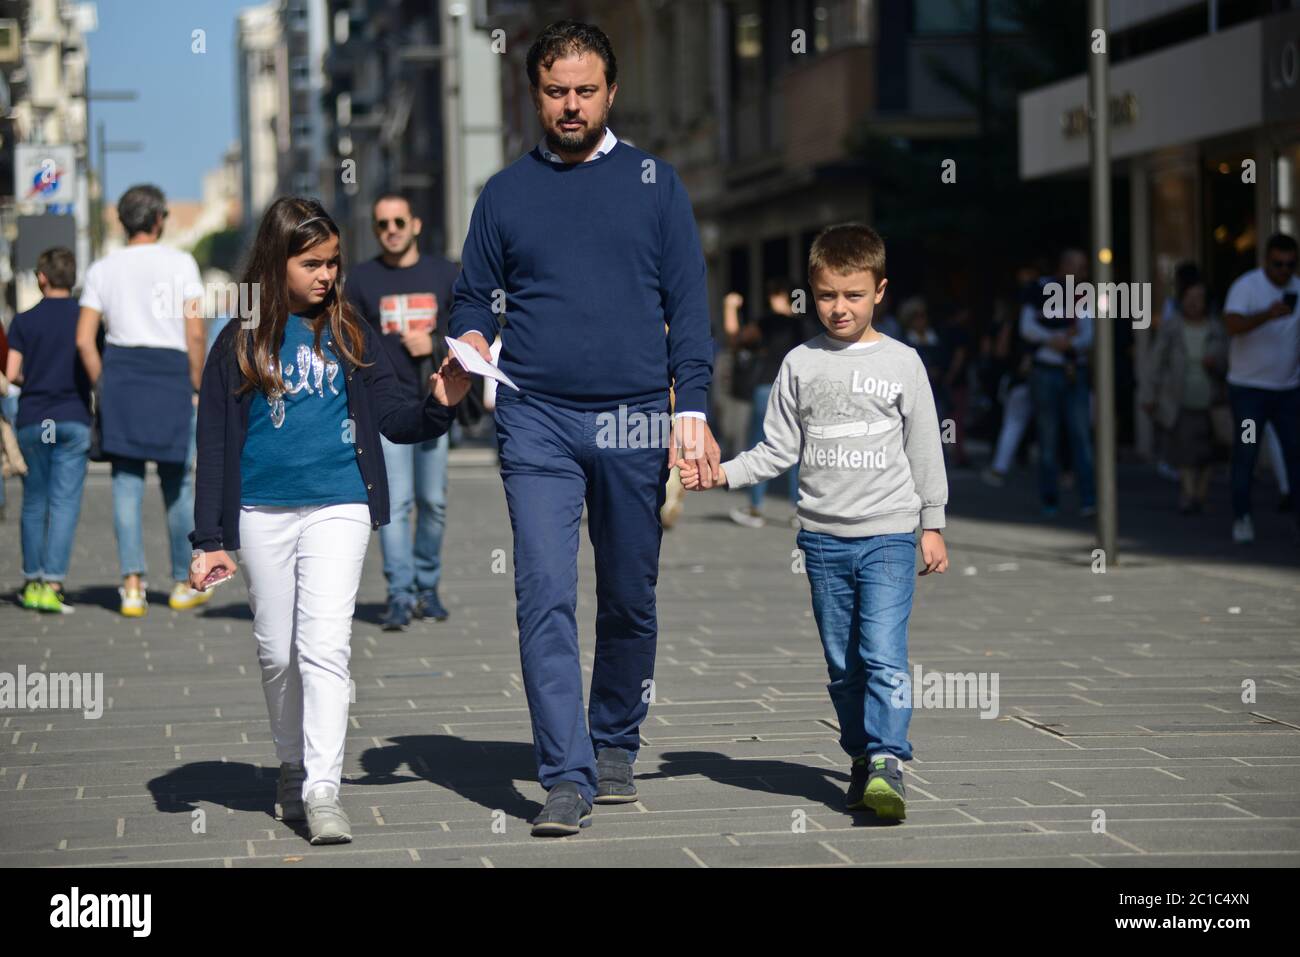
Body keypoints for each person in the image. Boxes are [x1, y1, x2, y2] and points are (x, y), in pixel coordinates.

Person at [449, 20, 717, 836]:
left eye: (585, 91)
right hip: (536, 418)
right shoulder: (503, 194)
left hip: (637, 415)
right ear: (536, 94)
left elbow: (688, 308)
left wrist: (693, 408)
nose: (571, 105)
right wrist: (466, 341)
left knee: (630, 595)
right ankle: (564, 773)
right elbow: (471, 297)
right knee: (543, 592)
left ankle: (614, 743)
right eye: (556, 91)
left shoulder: (655, 184)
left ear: (610, 91)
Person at [188, 197, 469, 845]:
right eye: (312, 262)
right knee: (276, 650)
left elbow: (399, 416)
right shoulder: (241, 335)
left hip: (339, 505)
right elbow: (216, 441)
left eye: (334, 262)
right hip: (260, 511)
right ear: (276, 260)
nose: (326, 275)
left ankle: (321, 787)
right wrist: (210, 539)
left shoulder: (351, 330)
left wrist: (439, 402)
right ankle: (291, 762)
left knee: (324, 647)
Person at [681, 222, 949, 821]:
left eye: (853, 295)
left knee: (882, 653)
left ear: (879, 291)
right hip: (823, 541)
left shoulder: (904, 363)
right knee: (843, 664)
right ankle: (859, 754)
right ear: (811, 291)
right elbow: (777, 449)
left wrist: (932, 523)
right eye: (827, 295)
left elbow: (925, 445)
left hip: (888, 533)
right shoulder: (799, 364)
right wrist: (722, 474)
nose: (839, 307)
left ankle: (886, 759)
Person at [76, 184, 209, 616]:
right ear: (158, 219)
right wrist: (196, 383)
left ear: (123, 221)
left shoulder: (102, 268)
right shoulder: (181, 263)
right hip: (170, 375)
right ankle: (182, 582)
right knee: (178, 485)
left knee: (126, 484)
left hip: (122, 376)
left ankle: (132, 586)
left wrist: (104, 384)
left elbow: (84, 340)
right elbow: (194, 330)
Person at [346, 192, 461, 629]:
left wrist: (431, 344)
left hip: (434, 403)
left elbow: (468, 330)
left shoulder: (444, 274)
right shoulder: (361, 280)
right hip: (385, 410)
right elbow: (350, 342)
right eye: (382, 224)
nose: (390, 230)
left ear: (414, 225)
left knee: (433, 501)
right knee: (395, 502)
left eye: (398, 222)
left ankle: (427, 587)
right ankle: (399, 592)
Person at [6, 248, 92, 611]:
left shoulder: (24, 321)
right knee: (64, 503)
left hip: (39, 421)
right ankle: (54, 583)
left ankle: (32, 581)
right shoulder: (86, 320)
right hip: (72, 418)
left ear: (42, 277)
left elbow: (11, 374)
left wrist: (33, 377)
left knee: (35, 500)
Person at [1222, 233, 1300, 544]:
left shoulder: (1298, 287)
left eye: (1290, 265)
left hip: (1287, 391)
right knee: (1247, 453)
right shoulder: (1246, 287)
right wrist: (1267, 315)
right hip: (1249, 391)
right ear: (1267, 261)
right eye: (1278, 264)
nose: (1284, 271)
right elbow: (1232, 325)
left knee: (1296, 454)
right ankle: (1242, 517)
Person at [722, 278, 814, 528]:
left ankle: (755, 509)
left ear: (778, 296)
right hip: (798, 391)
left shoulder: (768, 322)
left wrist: (730, 307)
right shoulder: (805, 327)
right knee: (797, 452)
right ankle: (799, 511)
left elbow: (735, 337)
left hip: (767, 388)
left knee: (761, 447)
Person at [1140, 279, 1228, 514]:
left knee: (1210, 451)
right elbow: (1155, 362)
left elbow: (1230, 362)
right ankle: (1189, 494)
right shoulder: (1171, 327)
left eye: (1198, 298)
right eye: (1189, 298)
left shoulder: (1217, 328)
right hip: (1180, 395)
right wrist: (1149, 394)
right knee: (1186, 450)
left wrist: (1216, 363)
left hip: (1211, 397)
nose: (1193, 304)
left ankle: (1200, 492)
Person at [1020, 249, 1096, 517]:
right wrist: (1054, 339)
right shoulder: (1039, 290)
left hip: (1074, 369)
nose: (1083, 273)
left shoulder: (1085, 294)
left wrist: (1068, 342)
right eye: (1078, 266)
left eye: (1084, 268)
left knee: (1081, 437)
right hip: (1046, 370)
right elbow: (1027, 327)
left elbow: (1090, 333)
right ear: (1063, 266)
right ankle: (1049, 499)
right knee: (1048, 438)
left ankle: (1089, 499)